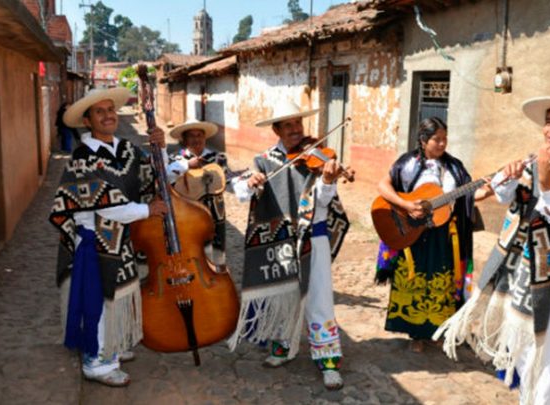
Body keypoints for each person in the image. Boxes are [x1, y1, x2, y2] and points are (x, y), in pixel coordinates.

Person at [434, 90, 550, 404]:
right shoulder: (547, 160)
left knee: (549, 361)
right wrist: (509, 178)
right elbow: (515, 202)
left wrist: (546, 180)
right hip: (531, 273)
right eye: (549, 121)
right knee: (527, 356)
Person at [49, 87, 170, 387]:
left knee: (118, 297)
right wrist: (147, 210)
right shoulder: (82, 158)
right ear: (87, 121)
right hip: (94, 241)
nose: (108, 116)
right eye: (99, 112)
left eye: (110, 110)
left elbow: (158, 176)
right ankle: (98, 363)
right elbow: (107, 207)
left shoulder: (127, 150)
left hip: (121, 238)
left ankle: (112, 344)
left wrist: (161, 148)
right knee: (100, 301)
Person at [227, 100, 351, 390]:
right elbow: (241, 192)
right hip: (280, 239)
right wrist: (251, 182)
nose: (296, 129)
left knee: (319, 298)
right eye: (288, 125)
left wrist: (329, 181)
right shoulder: (264, 160)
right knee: (283, 294)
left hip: (314, 235)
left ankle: (328, 360)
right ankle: (282, 346)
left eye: (298, 123)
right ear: (276, 130)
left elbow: (322, 201)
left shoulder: (317, 156)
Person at [375, 117, 487, 353]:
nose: (442, 144)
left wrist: (489, 189)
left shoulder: (455, 167)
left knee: (442, 282)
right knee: (413, 280)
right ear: (424, 140)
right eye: (437, 139)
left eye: (445, 139)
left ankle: (438, 331)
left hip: (444, 236)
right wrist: (405, 206)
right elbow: (383, 186)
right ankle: (416, 334)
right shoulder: (407, 163)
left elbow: (466, 197)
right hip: (413, 234)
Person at [167, 118, 232, 271]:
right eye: (192, 136)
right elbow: (167, 177)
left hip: (215, 215)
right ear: (184, 139)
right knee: (191, 257)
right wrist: (187, 165)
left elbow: (228, 181)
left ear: (205, 137)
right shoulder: (175, 159)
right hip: (188, 216)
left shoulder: (218, 158)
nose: (196, 139)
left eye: (200, 135)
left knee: (215, 259)